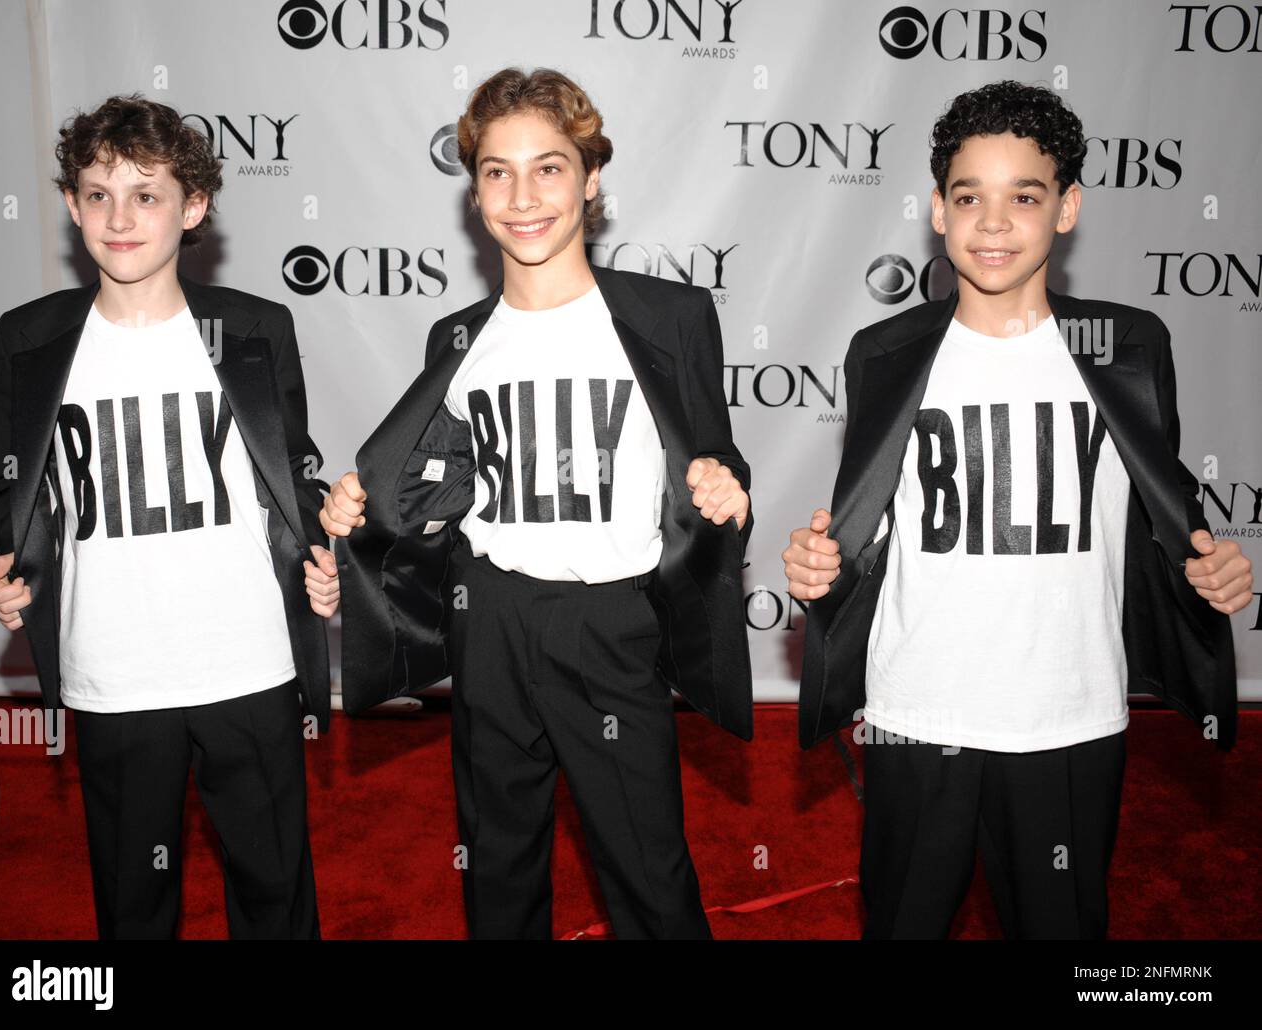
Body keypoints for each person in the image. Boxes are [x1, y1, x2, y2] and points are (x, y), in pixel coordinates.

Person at [784, 80, 1252, 940]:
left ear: (1067, 208)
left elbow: (1163, 510)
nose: (993, 223)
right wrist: (824, 563)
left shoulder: (1129, 345)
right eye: (970, 197)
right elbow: (871, 514)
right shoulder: (883, 351)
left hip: (1069, 711)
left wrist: (1208, 568)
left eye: (1024, 197)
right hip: (914, 712)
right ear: (937, 210)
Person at [318, 67, 753, 939]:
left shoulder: (669, 316)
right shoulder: (457, 338)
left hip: (613, 628)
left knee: (649, 873)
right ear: (474, 191)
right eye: (496, 171)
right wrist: (355, 513)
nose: (523, 196)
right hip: (491, 617)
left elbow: (716, 454)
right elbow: (436, 485)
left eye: (548, 168)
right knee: (499, 863)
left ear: (592, 181)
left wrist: (726, 486)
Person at [0, 93, 335, 938]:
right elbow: (16, 489)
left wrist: (323, 552)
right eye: (98, 193)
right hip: (113, 667)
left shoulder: (254, 327)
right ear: (71, 207)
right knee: (131, 905)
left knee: (275, 895)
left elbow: (292, 474)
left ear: (194, 207)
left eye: (147, 194)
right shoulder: (28, 339)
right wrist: (13, 567)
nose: (121, 216)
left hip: (247, 657)